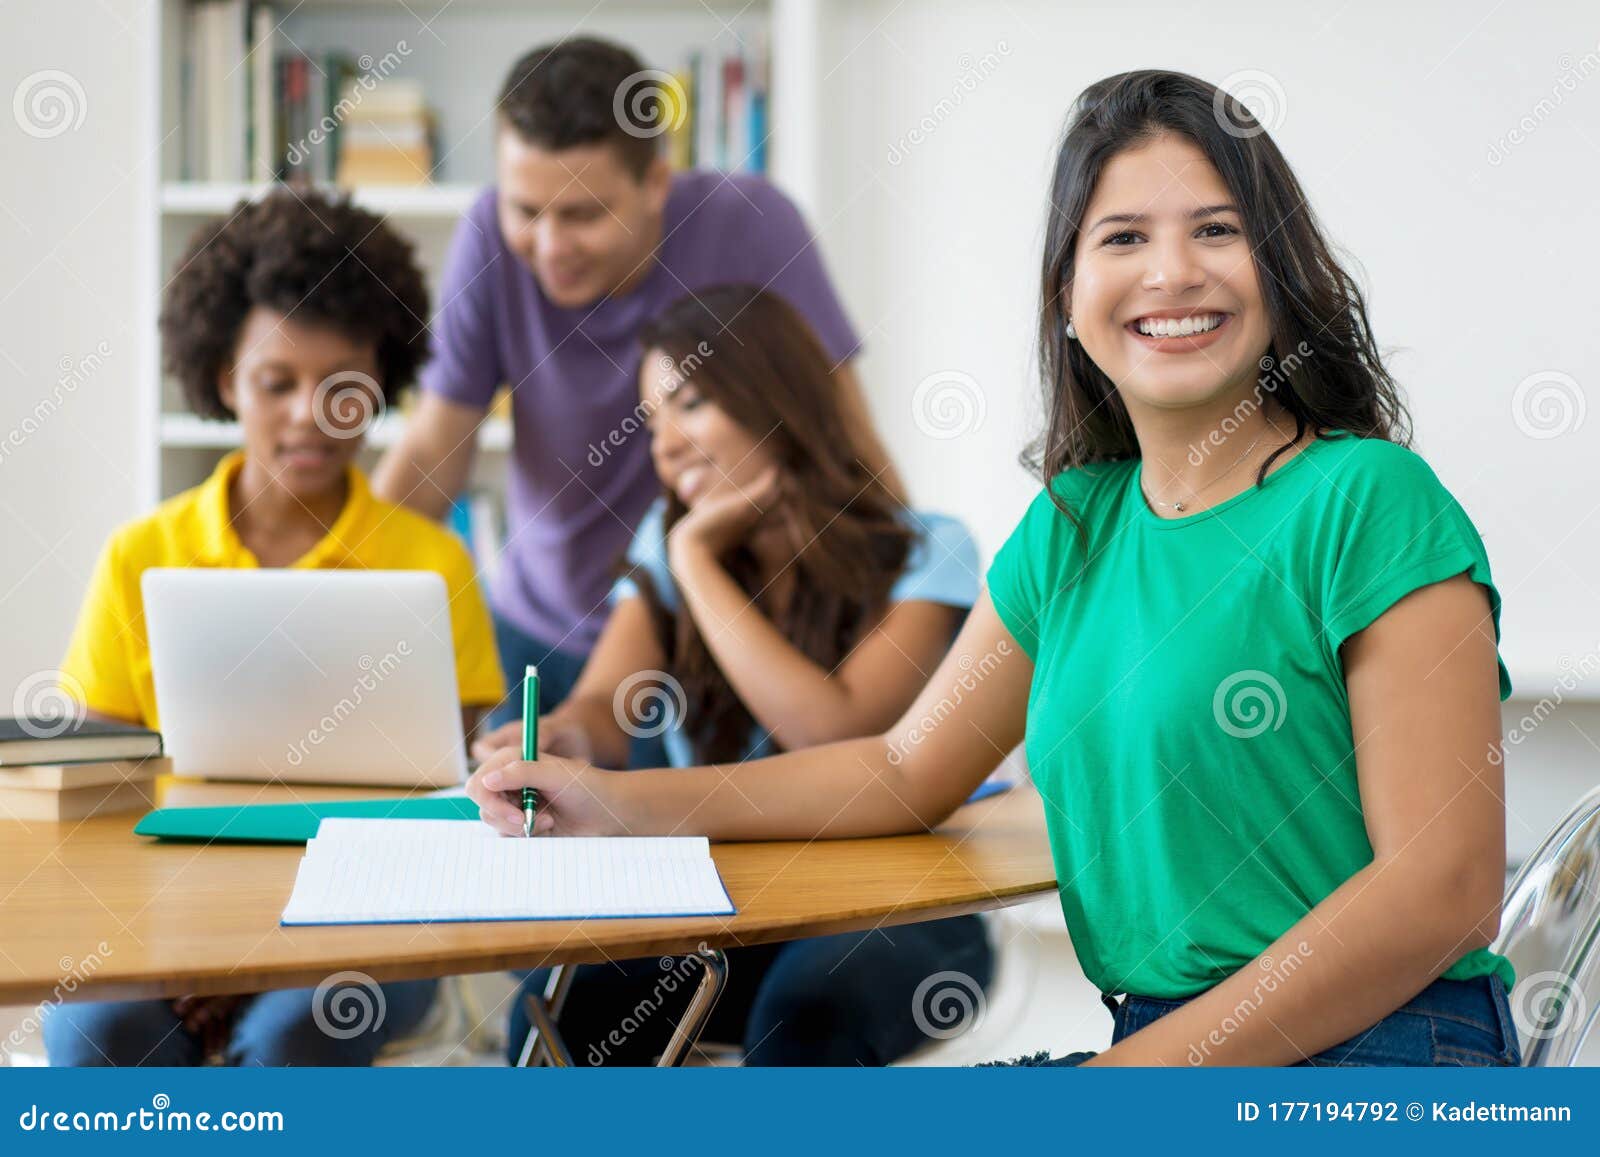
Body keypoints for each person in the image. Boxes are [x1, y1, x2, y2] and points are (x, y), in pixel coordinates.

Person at [469, 70, 1521, 1067]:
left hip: (1386, 1051)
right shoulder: (1073, 526)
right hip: (1163, 1049)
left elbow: (1445, 890)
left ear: (1279, 273)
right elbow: (900, 770)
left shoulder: (1368, 499)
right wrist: (614, 802)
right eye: (1123, 237)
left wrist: (1117, 1082)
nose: (1171, 272)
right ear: (1068, 293)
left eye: (1216, 230)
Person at [44, 188, 504, 1067]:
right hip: (169, 904)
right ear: (226, 380)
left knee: (299, 1032)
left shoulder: (433, 564)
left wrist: (266, 947)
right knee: (102, 1032)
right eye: (277, 382)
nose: (310, 414)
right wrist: (183, 936)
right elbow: (94, 792)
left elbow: (456, 802)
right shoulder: (141, 556)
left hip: (375, 913)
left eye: (342, 385)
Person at [473, 285, 992, 1065]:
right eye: (653, 423)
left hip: (894, 909)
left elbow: (832, 730)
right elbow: (606, 707)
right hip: (732, 907)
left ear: (776, 394)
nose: (667, 447)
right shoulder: (665, 545)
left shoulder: (929, 550)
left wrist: (695, 562)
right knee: (561, 1010)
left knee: (804, 1021)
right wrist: (559, 733)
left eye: (690, 404)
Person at [373, 37, 900, 728]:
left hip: (700, 630)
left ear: (656, 182)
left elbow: (843, 434)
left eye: (583, 214)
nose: (550, 247)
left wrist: (900, 604)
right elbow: (431, 451)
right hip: (534, 625)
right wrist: (350, 607)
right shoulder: (487, 237)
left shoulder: (752, 223)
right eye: (526, 211)